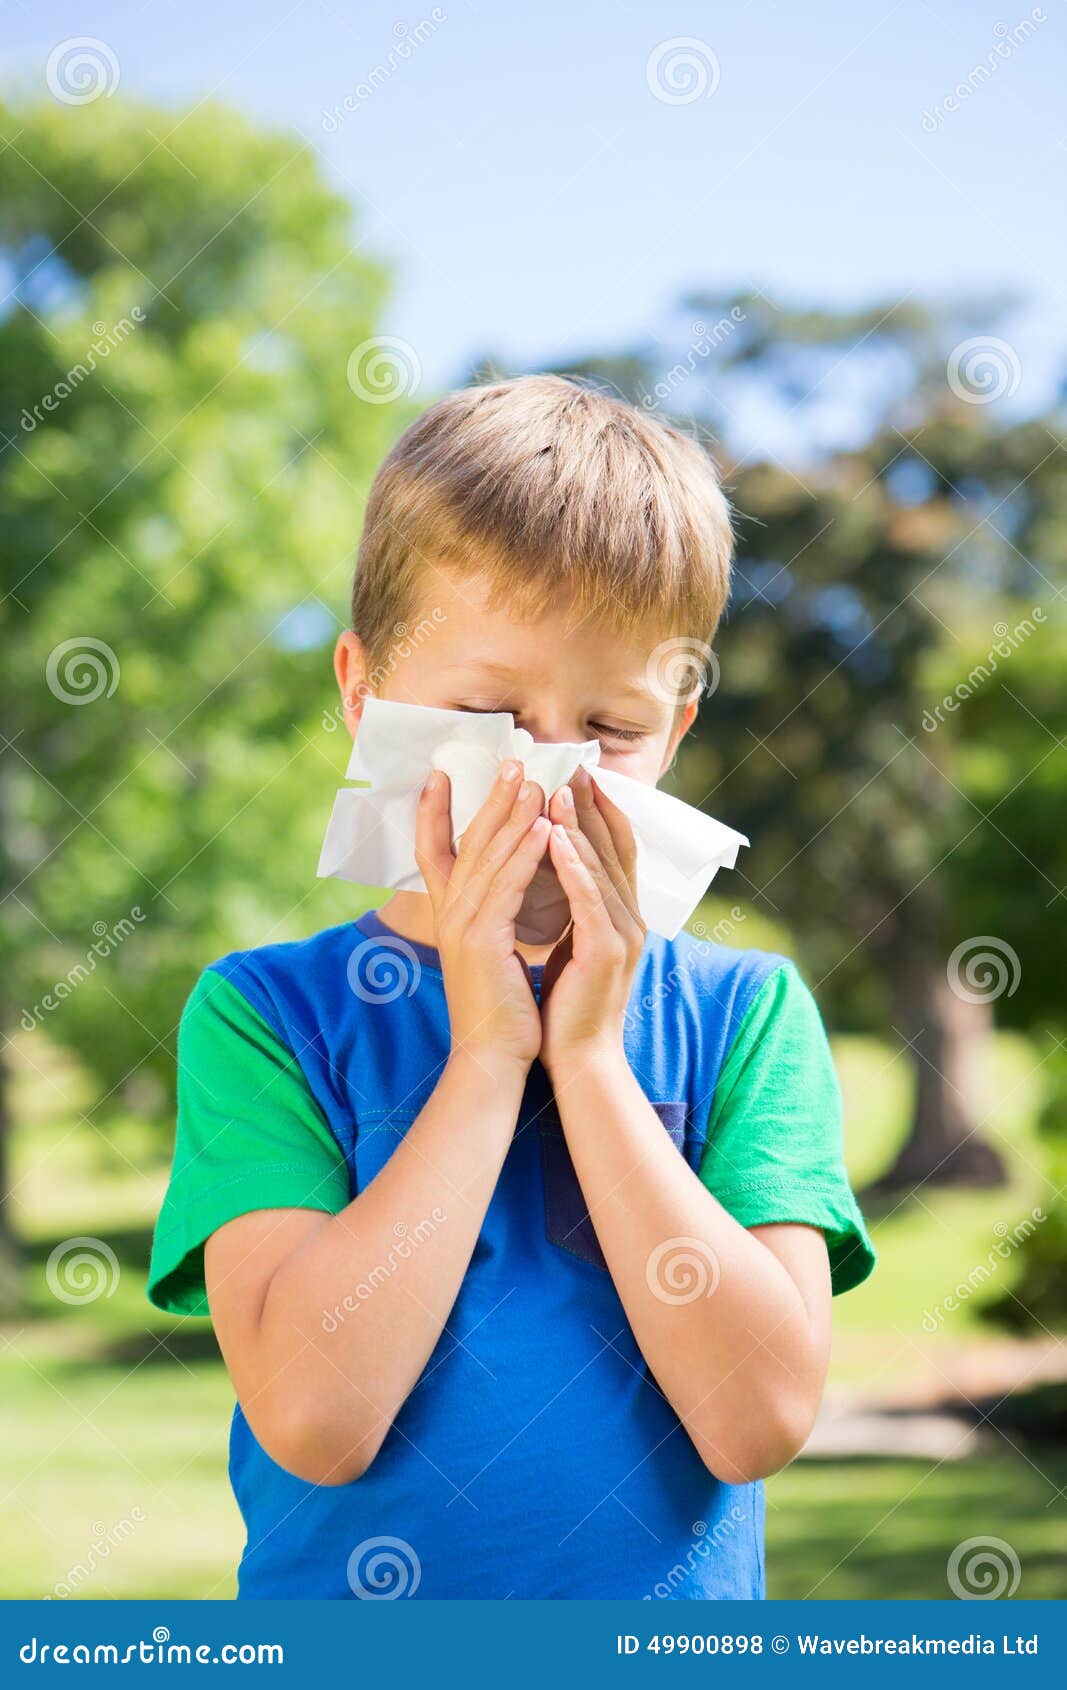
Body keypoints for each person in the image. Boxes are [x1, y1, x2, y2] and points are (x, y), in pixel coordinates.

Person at [148, 375, 874, 1599]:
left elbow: (755, 1418)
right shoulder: (268, 1019)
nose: (546, 776)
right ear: (362, 693)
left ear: (676, 726)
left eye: (611, 728)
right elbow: (317, 1419)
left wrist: (586, 1060)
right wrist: (487, 1056)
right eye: (488, 712)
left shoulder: (743, 1017)